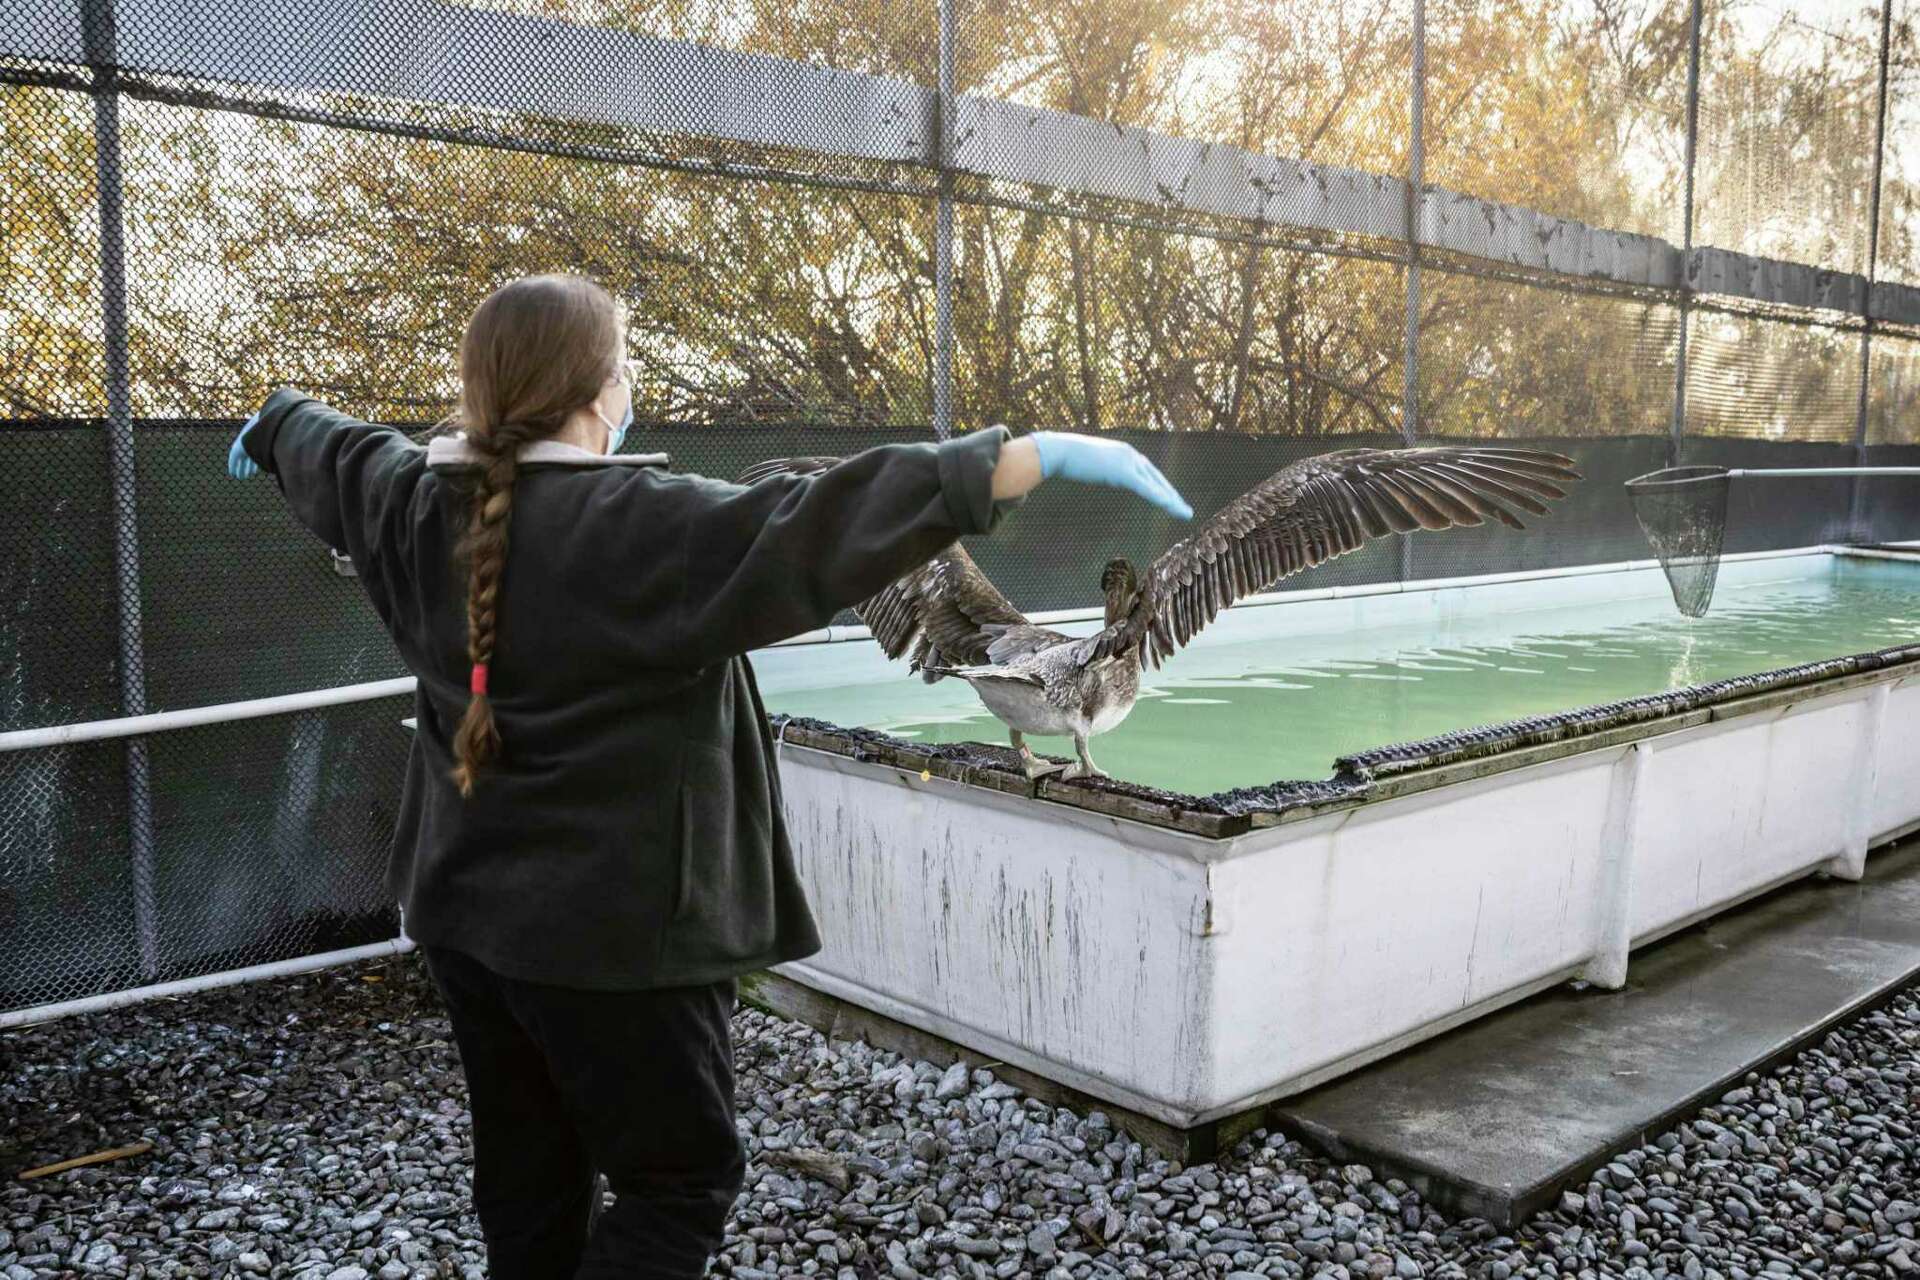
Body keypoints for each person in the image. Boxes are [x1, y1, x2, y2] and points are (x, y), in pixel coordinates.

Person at [226, 272, 1192, 1279]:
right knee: (677, 1182)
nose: (630, 379)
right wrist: (1026, 457)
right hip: (615, 938)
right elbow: (819, 519)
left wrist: (275, 423)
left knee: (527, 1172)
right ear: (599, 392)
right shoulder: (649, 526)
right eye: (625, 363)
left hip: (465, 917)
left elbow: (337, 452)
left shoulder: (413, 503)